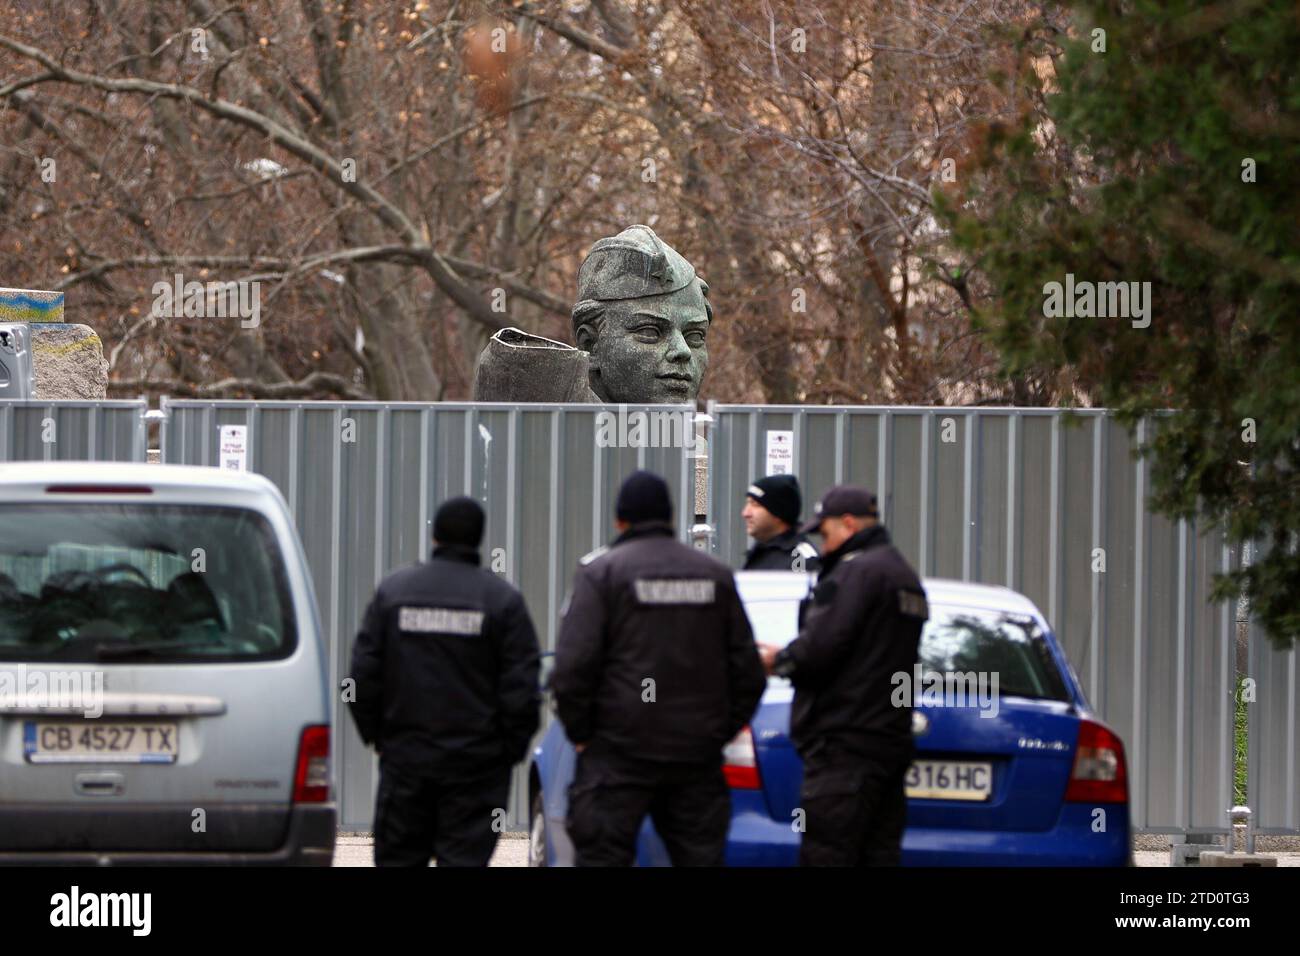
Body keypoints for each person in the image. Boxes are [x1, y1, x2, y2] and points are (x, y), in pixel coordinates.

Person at [552, 470, 766, 866]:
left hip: (616, 755)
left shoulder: (602, 575)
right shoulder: (714, 576)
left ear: (620, 520)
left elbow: (571, 669)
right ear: (670, 518)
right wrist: (716, 730)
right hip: (694, 759)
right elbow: (748, 672)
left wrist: (584, 735)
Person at [348, 496, 541, 867]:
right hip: (476, 770)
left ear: (435, 536)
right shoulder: (503, 602)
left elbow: (362, 677)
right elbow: (522, 690)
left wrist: (379, 740)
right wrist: (505, 754)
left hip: (407, 764)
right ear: (479, 539)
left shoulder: (395, 593)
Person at [757, 486, 927, 866]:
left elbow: (820, 648)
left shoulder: (856, 573)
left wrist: (778, 659)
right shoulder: (904, 575)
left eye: (826, 532)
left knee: (829, 856)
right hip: (888, 747)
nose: (824, 543)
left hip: (843, 751)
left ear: (848, 525)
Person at [741, 474, 821, 572]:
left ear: (778, 513)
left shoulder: (802, 559)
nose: (745, 513)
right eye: (747, 504)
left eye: (755, 505)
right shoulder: (760, 551)